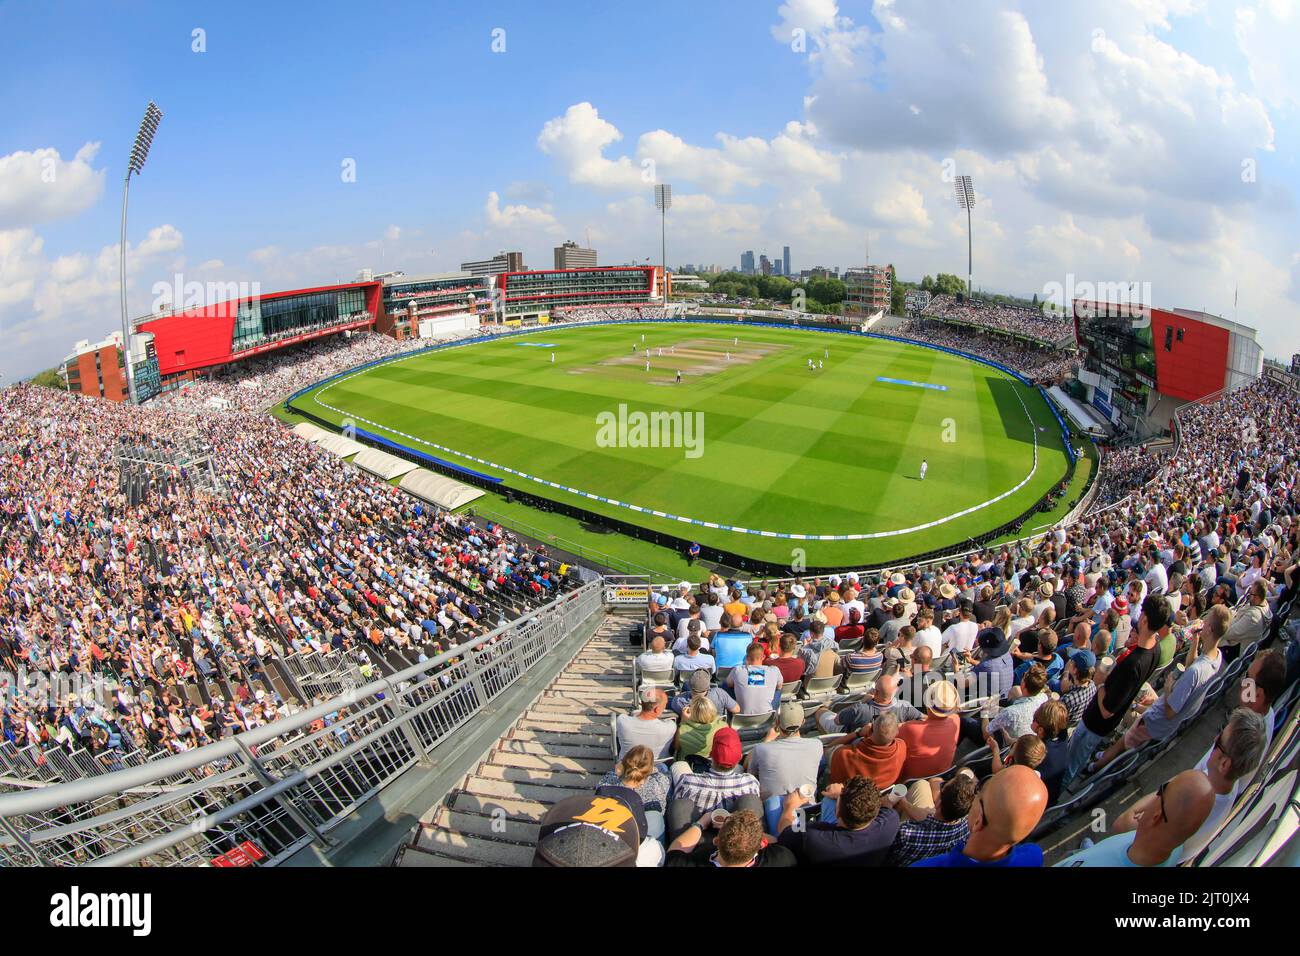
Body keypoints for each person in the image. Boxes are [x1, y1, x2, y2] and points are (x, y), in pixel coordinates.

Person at [1113, 708, 1268, 864]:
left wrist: (1167, 789)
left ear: (1224, 764)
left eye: (1220, 740)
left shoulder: (1195, 803)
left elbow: (1123, 823)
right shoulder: (1226, 785)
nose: (1215, 738)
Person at [1089, 604, 1228, 773]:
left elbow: (1170, 712)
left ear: (1210, 629)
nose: (1203, 623)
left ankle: (1094, 767)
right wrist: (1196, 640)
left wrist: (1168, 689)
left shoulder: (1195, 672)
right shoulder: (1216, 657)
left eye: (1206, 622)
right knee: (1126, 739)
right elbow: (1192, 664)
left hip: (1156, 722)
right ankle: (1104, 755)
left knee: (1123, 744)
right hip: (1164, 718)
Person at [1062, 593, 1168, 789]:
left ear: (1144, 620)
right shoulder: (1156, 650)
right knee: (1077, 756)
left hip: (1096, 723)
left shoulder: (1134, 663)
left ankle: (1059, 795)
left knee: (1072, 763)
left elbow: (1106, 711)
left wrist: (1101, 683)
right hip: (1105, 721)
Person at [1055, 769, 1216, 867]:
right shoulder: (1172, 846)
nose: (1156, 794)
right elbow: (1122, 823)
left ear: (1157, 816)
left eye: (1161, 790)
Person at [912, 765, 1049, 867]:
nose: (976, 794)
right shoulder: (1034, 856)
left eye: (980, 792)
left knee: (921, 785)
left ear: (978, 821)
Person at [776, 775, 901, 866]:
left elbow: (784, 832)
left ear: (837, 813)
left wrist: (790, 807)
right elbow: (887, 806)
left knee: (774, 803)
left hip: (819, 848)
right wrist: (843, 795)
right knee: (828, 800)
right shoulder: (891, 820)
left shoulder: (810, 837)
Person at [665, 727, 762, 840]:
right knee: (749, 798)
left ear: (711, 755)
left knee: (679, 767)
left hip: (695, 839)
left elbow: (678, 814)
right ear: (739, 757)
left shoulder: (688, 781)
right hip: (736, 841)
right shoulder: (750, 783)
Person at [747, 701, 823, 832]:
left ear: (777, 723)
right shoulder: (817, 745)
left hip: (773, 812)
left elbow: (750, 772)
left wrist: (767, 740)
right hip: (807, 808)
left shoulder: (761, 749)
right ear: (803, 722)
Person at [888, 772, 975, 866]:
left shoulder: (906, 833)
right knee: (922, 784)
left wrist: (887, 810)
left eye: (943, 785)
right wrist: (904, 802)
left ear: (938, 802)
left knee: (921, 784)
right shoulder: (968, 826)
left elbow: (886, 854)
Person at [664, 808, 795, 867]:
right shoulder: (783, 859)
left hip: (700, 850)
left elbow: (674, 852)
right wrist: (740, 826)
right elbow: (775, 840)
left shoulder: (686, 863)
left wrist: (701, 823)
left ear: (716, 840)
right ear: (762, 844)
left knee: (680, 805)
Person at [596, 745, 671, 842]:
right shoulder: (658, 783)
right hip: (644, 837)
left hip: (613, 831)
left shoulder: (607, 783)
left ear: (623, 765)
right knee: (663, 767)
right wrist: (653, 770)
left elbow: (600, 786)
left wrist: (616, 772)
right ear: (650, 770)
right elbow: (666, 780)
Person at [897, 680, 961, 780]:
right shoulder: (956, 720)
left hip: (913, 782)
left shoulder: (910, 728)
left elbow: (886, 736)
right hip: (943, 776)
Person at [828, 711, 908, 790]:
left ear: (871, 728)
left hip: (850, 796)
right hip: (879, 794)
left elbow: (830, 746)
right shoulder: (901, 747)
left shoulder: (843, 754)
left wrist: (858, 733)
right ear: (897, 733)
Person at [614, 688, 674, 761]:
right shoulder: (670, 727)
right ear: (657, 709)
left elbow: (632, 714)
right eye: (665, 705)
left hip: (628, 764)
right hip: (658, 765)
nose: (665, 707)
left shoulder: (622, 721)